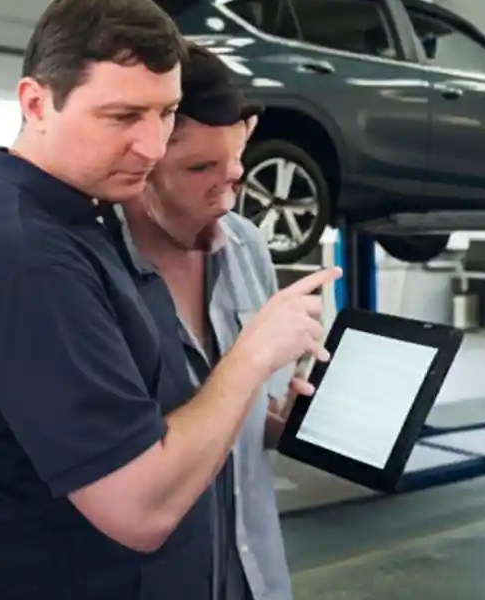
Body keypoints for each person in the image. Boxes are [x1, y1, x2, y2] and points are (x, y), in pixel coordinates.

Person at [0, 0, 339, 599]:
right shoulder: (26, 257)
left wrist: (261, 421)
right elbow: (141, 509)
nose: (152, 146)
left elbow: (158, 418)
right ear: (36, 103)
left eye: (164, 113)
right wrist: (252, 357)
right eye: (122, 117)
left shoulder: (83, 222)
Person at [115, 44, 309, 600]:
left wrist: (278, 422)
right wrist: (250, 360)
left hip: (253, 579)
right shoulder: (95, 273)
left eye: (235, 169)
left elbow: (240, 414)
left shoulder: (248, 248)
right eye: (199, 168)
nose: (225, 193)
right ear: (144, 159)